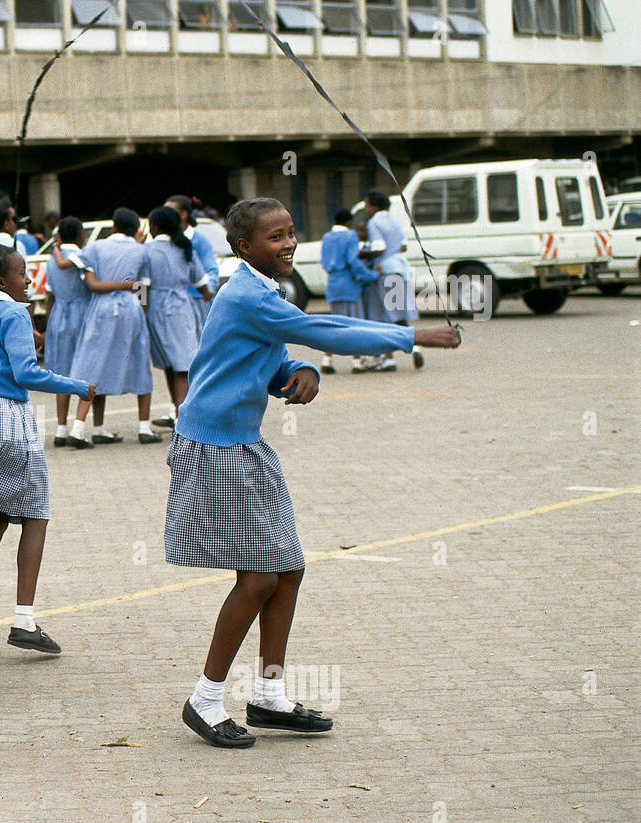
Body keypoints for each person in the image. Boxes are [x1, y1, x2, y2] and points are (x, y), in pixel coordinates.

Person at [167, 197, 460, 748]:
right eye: (274, 237)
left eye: (291, 232)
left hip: (242, 443)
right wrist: (411, 335)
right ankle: (205, 699)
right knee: (257, 577)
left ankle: (269, 696)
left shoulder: (260, 292)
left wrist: (299, 369)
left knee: (289, 568)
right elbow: (322, 329)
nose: (289, 243)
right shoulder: (248, 294)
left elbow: (272, 351)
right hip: (216, 447)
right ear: (243, 246)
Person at [0, 243, 95, 658]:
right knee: (36, 515)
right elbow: (25, 373)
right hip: (5, 418)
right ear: (0, 280)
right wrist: (77, 385)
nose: (28, 281)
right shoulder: (13, 312)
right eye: (20, 274)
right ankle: (24, 620)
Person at [58, 208, 158, 446]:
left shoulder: (95, 248)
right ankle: (144, 427)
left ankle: (81, 426)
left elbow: (86, 279)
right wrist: (141, 313)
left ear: (113, 226)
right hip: (131, 309)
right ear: (136, 229)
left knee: (93, 362)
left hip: (101, 309)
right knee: (140, 362)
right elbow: (144, 289)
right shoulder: (141, 251)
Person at [143, 206, 212, 425]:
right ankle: (182, 417)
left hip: (156, 308)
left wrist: (141, 311)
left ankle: (181, 415)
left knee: (170, 364)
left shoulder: (147, 250)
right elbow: (202, 284)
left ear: (154, 226)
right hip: (181, 308)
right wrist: (211, 297)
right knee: (183, 365)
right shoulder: (185, 248)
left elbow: (142, 288)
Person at [159, 195, 219, 428]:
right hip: (167, 309)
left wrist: (205, 292)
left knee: (192, 361)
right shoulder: (161, 244)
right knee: (172, 363)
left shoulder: (197, 241)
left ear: (183, 214)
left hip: (193, 305)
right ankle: (177, 409)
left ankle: (194, 411)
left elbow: (210, 272)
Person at [363, 190, 424, 372]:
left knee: (385, 316)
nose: (365, 209)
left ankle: (388, 359)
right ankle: (416, 347)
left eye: (366, 205)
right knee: (399, 314)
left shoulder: (374, 222)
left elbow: (379, 247)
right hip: (400, 269)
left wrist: (361, 252)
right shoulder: (394, 221)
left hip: (385, 271)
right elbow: (403, 245)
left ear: (373, 206)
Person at [42, 216, 89, 447]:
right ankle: (78, 427)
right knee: (85, 370)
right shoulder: (82, 255)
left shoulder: (51, 260)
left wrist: (49, 325)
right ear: (80, 234)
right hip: (81, 313)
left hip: (59, 314)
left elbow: (49, 294)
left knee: (62, 372)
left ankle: (60, 428)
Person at [318, 208, 379, 374]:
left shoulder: (327, 237)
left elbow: (324, 262)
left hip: (332, 284)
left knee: (334, 324)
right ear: (349, 222)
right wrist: (372, 275)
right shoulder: (350, 236)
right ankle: (356, 361)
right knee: (353, 324)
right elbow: (353, 262)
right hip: (349, 284)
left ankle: (327, 360)